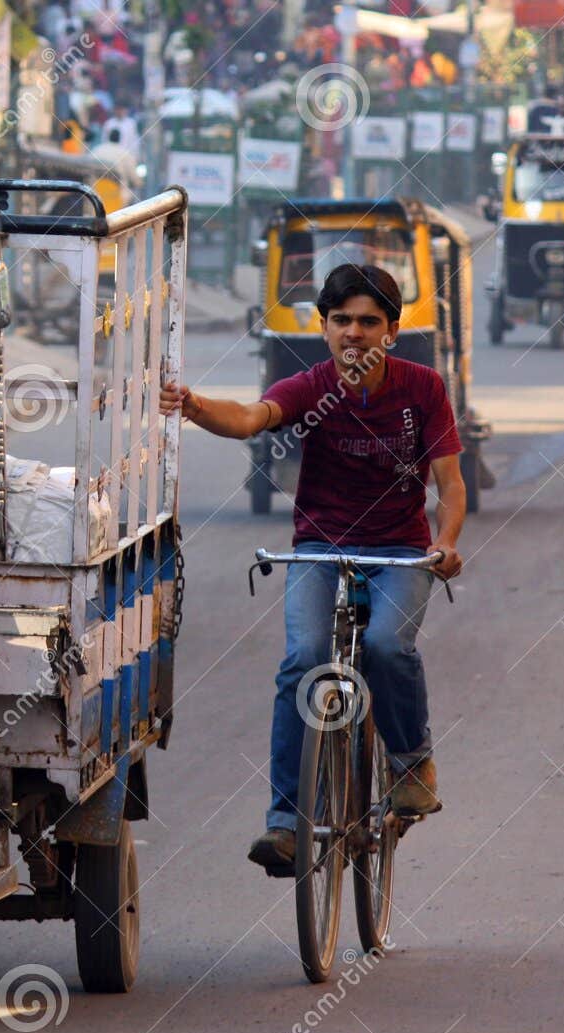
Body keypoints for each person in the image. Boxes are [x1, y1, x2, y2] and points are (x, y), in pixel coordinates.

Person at [158, 264, 466, 875]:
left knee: (383, 644)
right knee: (302, 661)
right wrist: (192, 406)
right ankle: (285, 824)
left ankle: (411, 764)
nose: (355, 332)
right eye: (342, 321)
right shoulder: (310, 387)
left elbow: (451, 484)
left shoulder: (424, 388)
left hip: (401, 551)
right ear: (323, 329)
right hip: (319, 550)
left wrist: (448, 542)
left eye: (369, 322)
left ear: (392, 331)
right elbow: (249, 418)